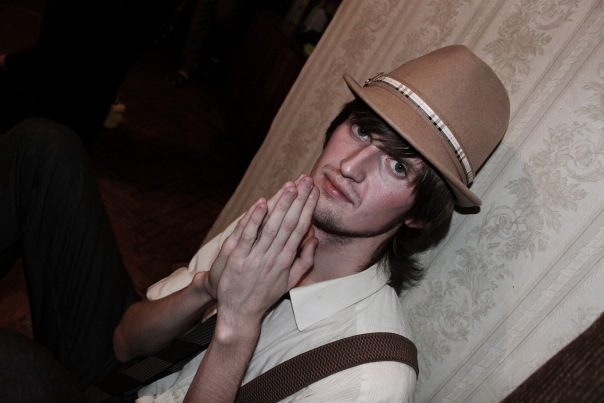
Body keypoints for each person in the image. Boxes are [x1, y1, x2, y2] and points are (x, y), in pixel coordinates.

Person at [0, 45, 509, 401]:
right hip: (131, 378)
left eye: (398, 165)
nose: (351, 167)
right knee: (43, 147)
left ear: (419, 214)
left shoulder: (368, 380)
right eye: (361, 130)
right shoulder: (275, 225)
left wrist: (238, 324)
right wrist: (205, 289)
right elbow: (124, 343)